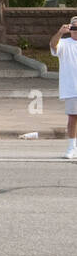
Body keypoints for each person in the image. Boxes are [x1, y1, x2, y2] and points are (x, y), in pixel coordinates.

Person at [50, 18, 77, 161]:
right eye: (74, 27)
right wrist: (60, 33)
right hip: (72, 87)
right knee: (73, 117)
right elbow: (53, 46)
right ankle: (72, 147)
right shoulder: (65, 43)